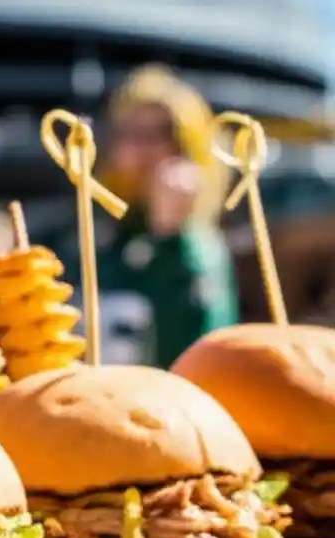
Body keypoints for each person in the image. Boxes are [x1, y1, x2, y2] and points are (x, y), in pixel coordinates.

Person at [56, 64, 236, 368]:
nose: (139, 149)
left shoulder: (198, 247)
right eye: (130, 133)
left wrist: (171, 233)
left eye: (158, 134)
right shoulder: (95, 235)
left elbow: (199, 345)